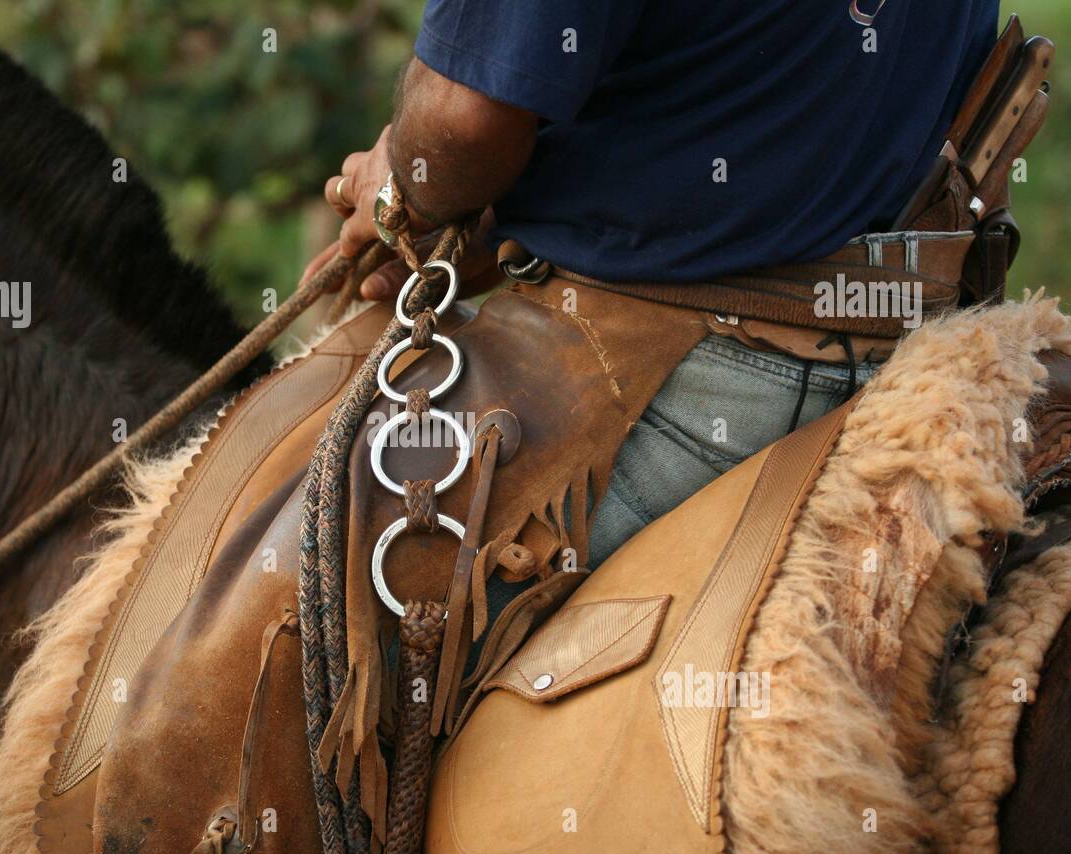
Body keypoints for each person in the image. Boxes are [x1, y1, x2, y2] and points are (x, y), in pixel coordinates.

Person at [303, 0, 1001, 576]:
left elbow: (465, 119)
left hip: (682, 372)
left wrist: (404, 181)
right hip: (913, 354)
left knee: (321, 576)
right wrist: (517, 219)